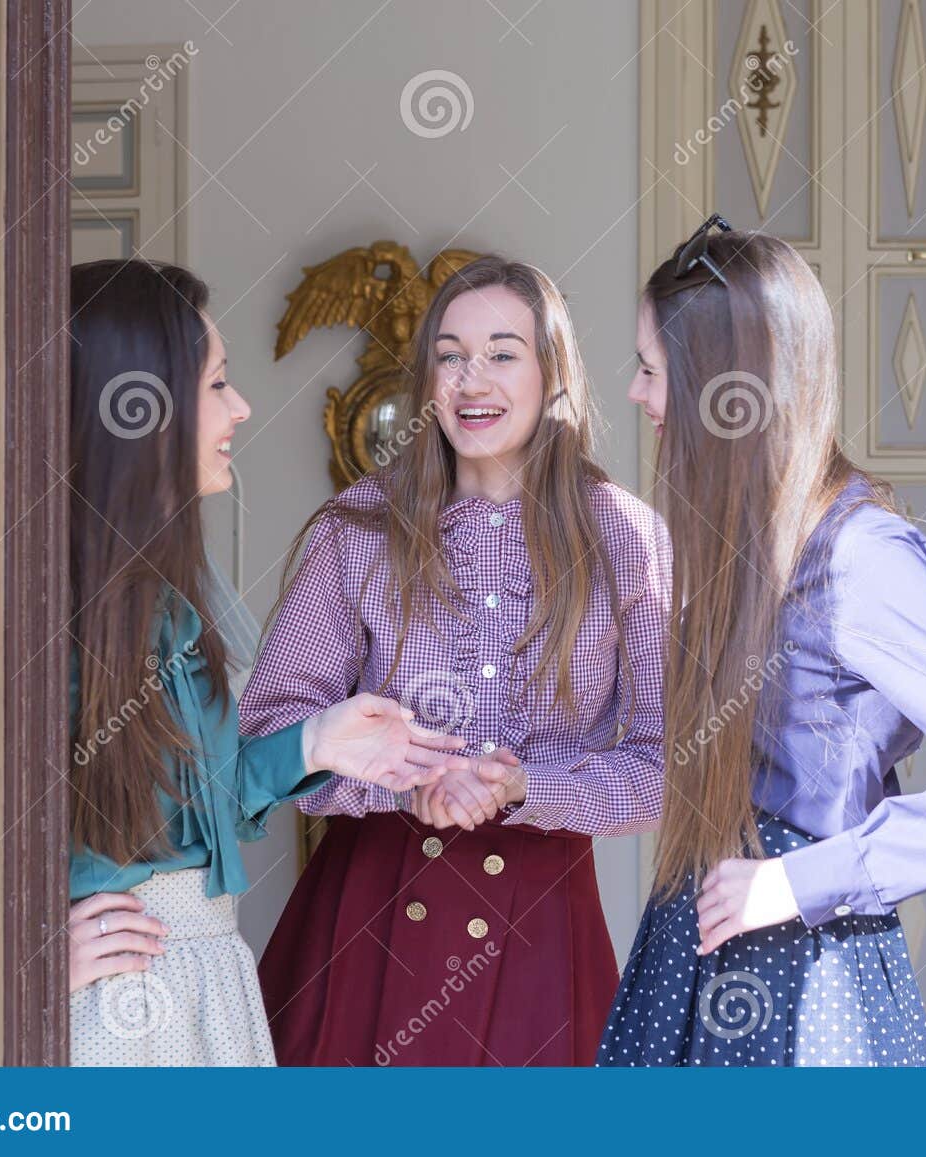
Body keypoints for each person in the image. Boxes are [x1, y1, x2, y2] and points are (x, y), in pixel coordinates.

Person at [0, 259, 461, 1066]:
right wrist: (29, 952)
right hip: (114, 1019)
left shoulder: (145, 600)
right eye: (217, 384)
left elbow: (172, 820)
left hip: (165, 995)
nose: (240, 407)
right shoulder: (59, 609)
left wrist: (315, 744)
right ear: (138, 413)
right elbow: (13, 832)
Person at [598, 219, 926, 1066]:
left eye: (649, 369)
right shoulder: (730, 544)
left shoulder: (860, 558)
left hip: (810, 979)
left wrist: (795, 882)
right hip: (697, 942)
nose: (637, 395)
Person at [244, 256, 670, 1066]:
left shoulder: (627, 539)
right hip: (368, 915)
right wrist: (399, 775)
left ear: (553, 372)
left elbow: (665, 765)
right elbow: (269, 730)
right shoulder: (356, 529)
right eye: (450, 354)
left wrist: (526, 787)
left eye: (504, 353)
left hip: (542, 926)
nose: (473, 380)